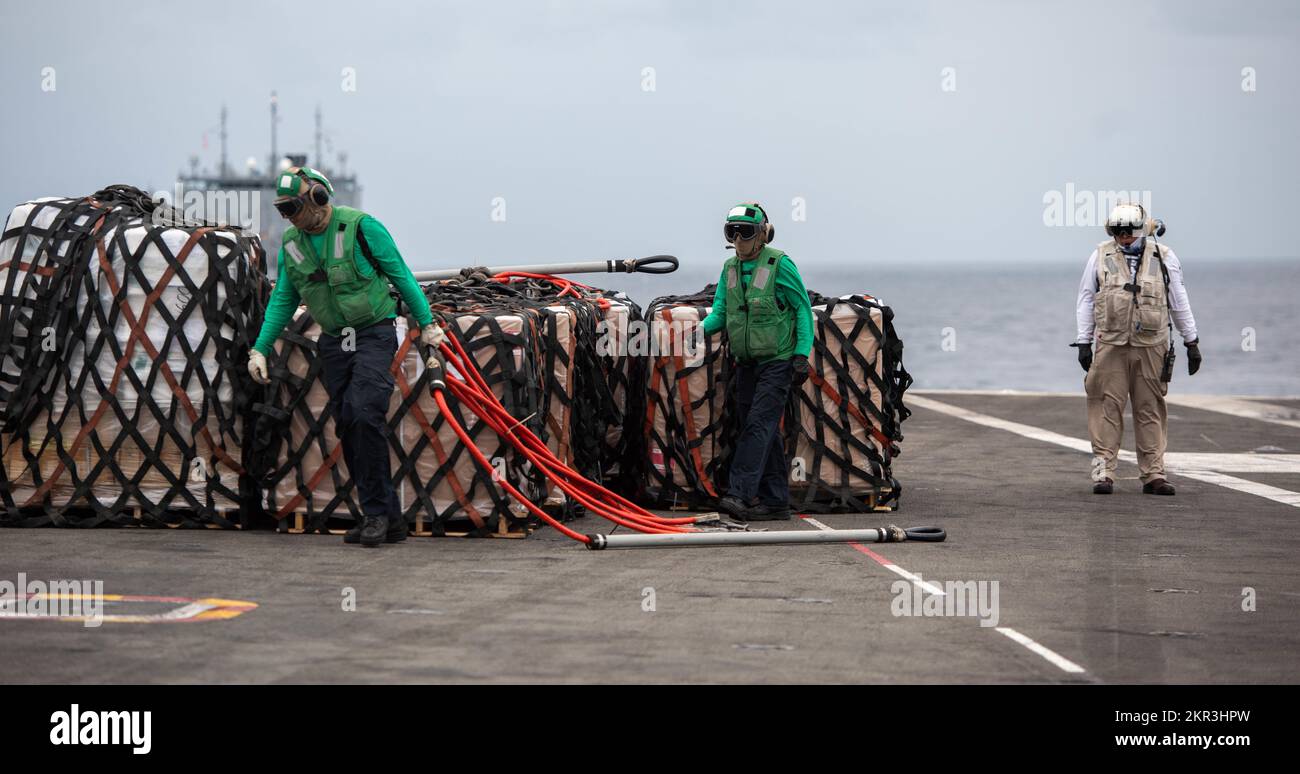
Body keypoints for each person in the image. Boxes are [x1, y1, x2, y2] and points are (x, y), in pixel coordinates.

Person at [247, 167, 445, 546]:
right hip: (336, 341)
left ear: (319, 197)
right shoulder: (292, 244)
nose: (289, 217)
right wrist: (261, 347)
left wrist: (428, 323)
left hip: (374, 333)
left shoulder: (362, 227)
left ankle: (374, 514)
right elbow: (284, 300)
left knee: (363, 411)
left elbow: (401, 275)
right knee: (348, 423)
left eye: (293, 207)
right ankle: (388, 518)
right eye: (283, 210)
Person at [1073, 202, 1201, 496]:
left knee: (1150, 409)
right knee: (1105, 407)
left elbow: (1178, 302)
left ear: (1141, 230)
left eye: (1129, 231)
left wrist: (1191, 341)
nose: (1124, 237)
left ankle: (1154, 474)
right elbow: (1086, 299)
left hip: (1151, 346)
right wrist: (1083, 341)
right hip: (1110, 345)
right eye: (1118, 232)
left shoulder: (1164, 258)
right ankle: (1103, 473)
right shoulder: (1100, 256)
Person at [700, 202, 814, 521]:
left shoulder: (780, 264)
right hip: (746, 363)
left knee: (758, 426)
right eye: (731, 232)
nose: (738, 239)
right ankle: (776, 501)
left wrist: (801, 355)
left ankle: (739, 493)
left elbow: (802, 310)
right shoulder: (730, 269)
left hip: (778, 361)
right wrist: (693, 333)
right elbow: (721, 312)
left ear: (762, 234)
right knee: (763, 429)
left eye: (745, 232)